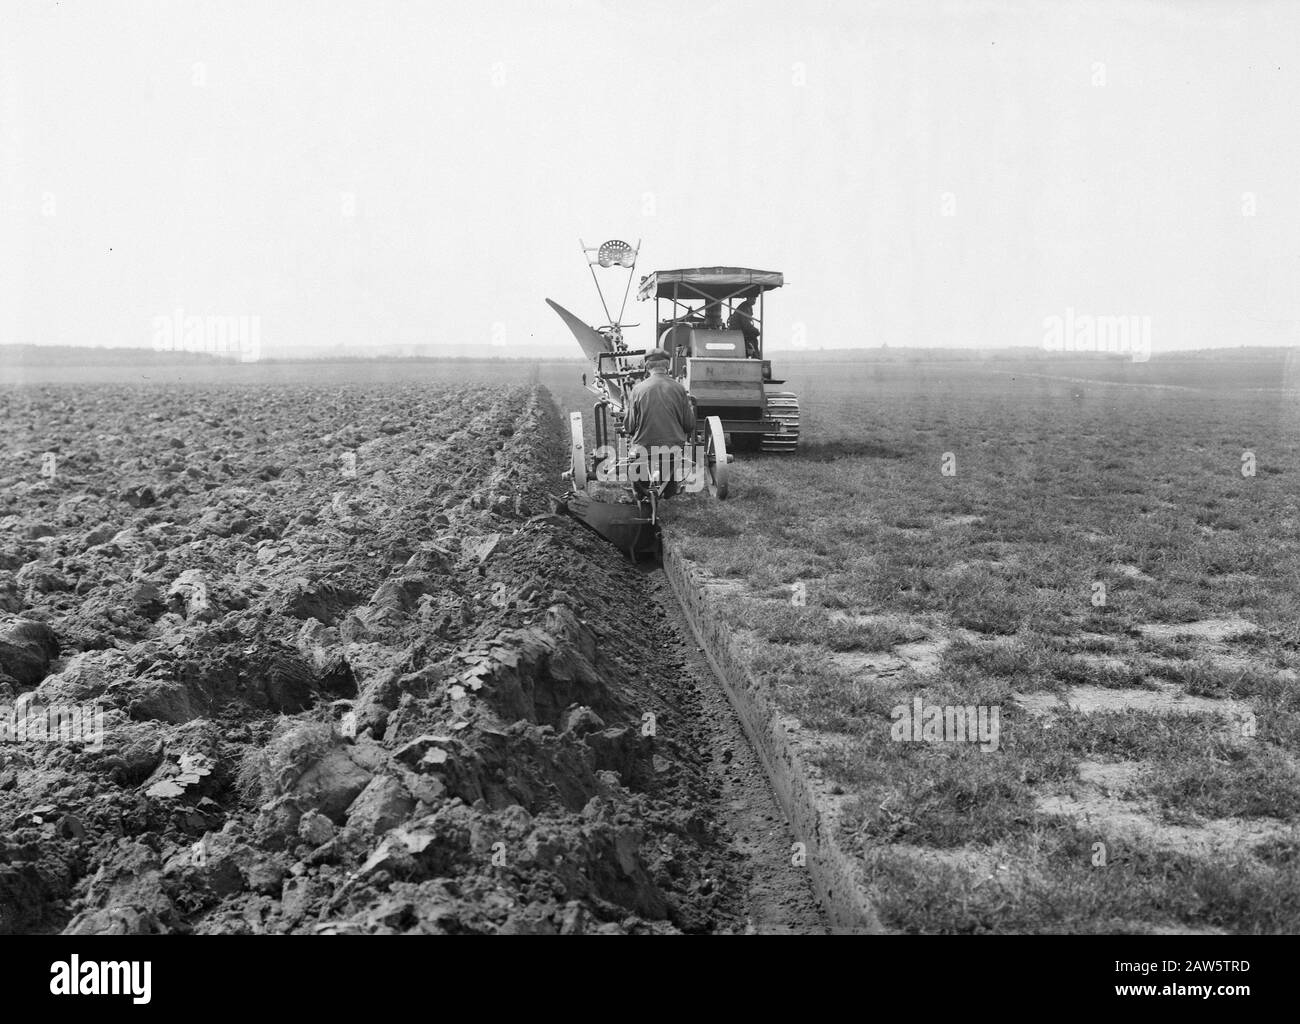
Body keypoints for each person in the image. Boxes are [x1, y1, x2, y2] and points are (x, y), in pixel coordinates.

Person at [623, 348, 695, 498]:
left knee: (638, 460)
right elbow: (689, 425)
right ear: (667, 366)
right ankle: (669, 489)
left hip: (644, 448)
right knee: (670, 460)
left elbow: (629, 426)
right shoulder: (679, 388)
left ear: (646, 366)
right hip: (673, 449)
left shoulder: (637, 389)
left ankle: (639, 491)